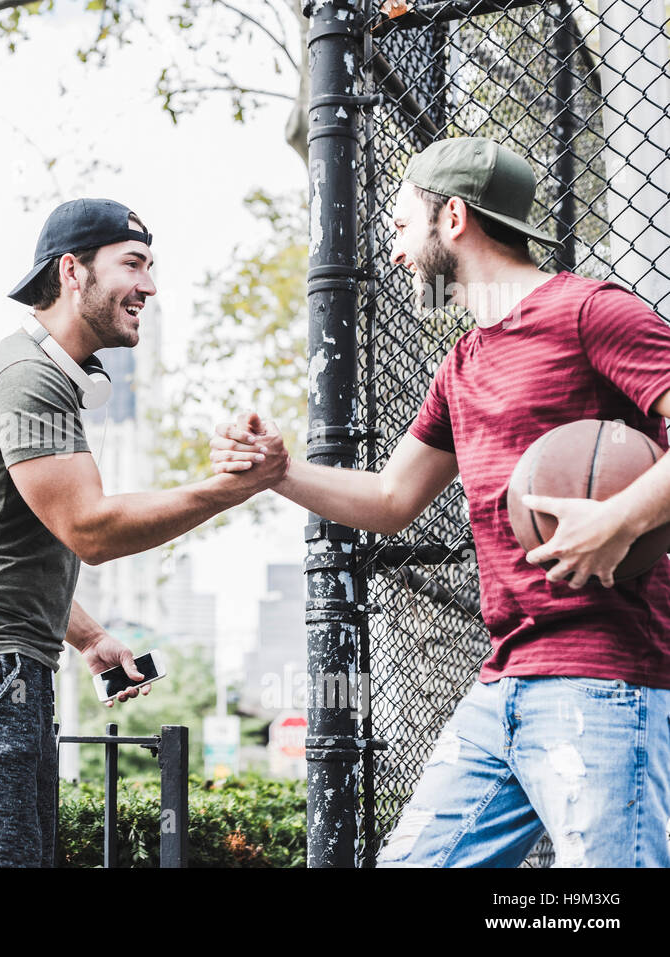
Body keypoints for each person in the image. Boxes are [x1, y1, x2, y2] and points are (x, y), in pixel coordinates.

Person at [213, 137, 670, 867]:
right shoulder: (464, 364)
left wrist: (621, 516)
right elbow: (393, 499)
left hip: (601, 676)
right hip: (503, 685)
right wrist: (280, 472)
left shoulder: (589, 312)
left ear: (452, 217)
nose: (394, 254)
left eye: (399, 227)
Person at [0, 198, 288, 867]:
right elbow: (90, 529)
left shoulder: (49, 378)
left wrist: (87, 634)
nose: (150, 286)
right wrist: (231, 489)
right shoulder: (28, 379)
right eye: (132, 264)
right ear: (73, 272)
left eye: (151, 266)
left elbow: (8, 542)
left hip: (7, 667)